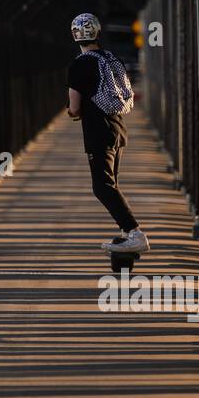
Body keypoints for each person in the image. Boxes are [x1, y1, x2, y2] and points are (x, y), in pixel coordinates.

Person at [65, 13, 149, 255]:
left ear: (74, 36)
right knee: (111, 184)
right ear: (98, 33)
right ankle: (127, 233)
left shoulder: (80, 64)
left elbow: (74, 107)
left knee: (102, 187)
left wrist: (72, 114)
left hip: (98, 132)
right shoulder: (111, 58)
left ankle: (134, 232)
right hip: (117, 130)